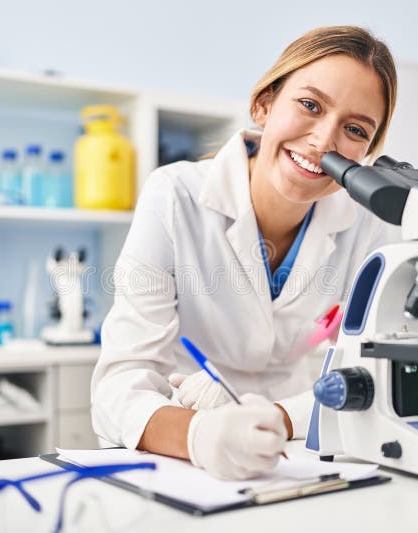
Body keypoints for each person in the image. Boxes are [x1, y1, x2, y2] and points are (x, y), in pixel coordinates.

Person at [91, 26, 399, 480]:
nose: (324, 141)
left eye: (354, 129)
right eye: (310, 105)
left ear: (367, 153)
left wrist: (278, 418)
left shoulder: (366, 226)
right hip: (176, 447)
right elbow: (118, 387)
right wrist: (201, 434)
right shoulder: (174, 196)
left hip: (297, 448)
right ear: (264, 105)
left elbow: (374, 377)